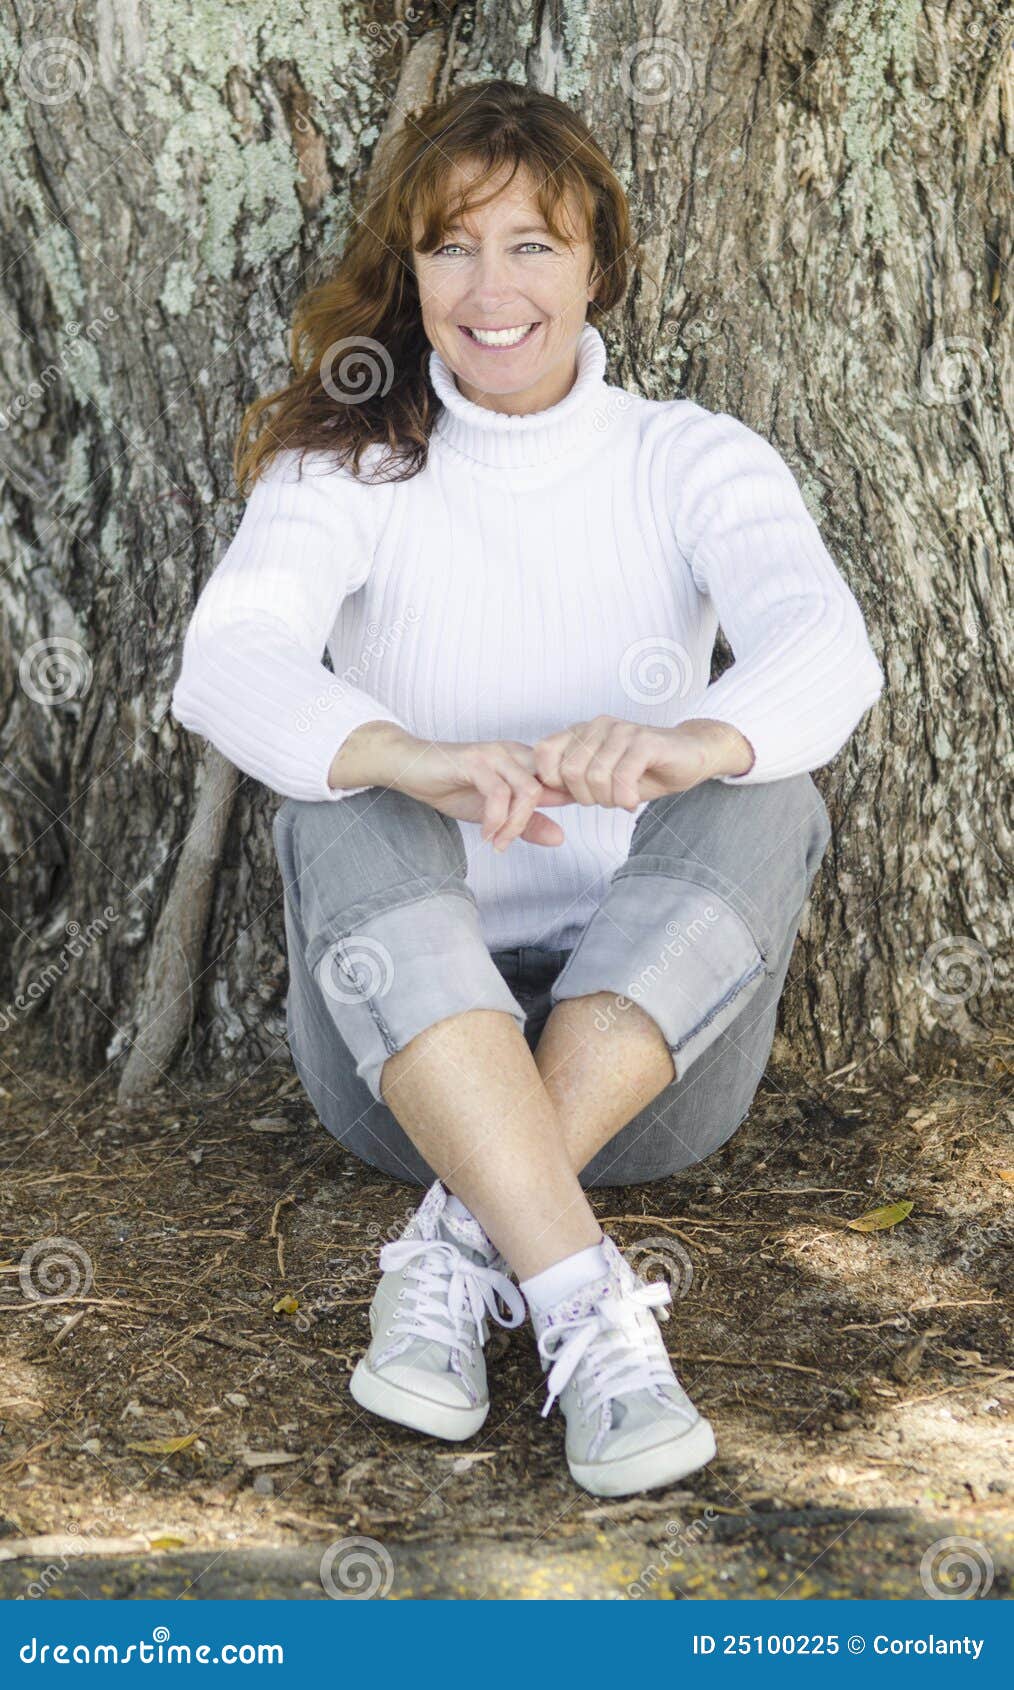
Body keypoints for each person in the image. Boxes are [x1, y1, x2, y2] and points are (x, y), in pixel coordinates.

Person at [170, 80, 884, 1499]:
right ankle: (588, 1322)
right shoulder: (345, 464)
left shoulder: (689, 456)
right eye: (451, 247)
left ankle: (454, 1246)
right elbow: (228, 661)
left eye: (532, 245)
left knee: (769, 789)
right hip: (400, 1068)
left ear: (597, 265)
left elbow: (826, 648)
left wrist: (693, 739)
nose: (490, 289)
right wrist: (405, 754)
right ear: (411, 272)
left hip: (650, 1076)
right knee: (338, 789)